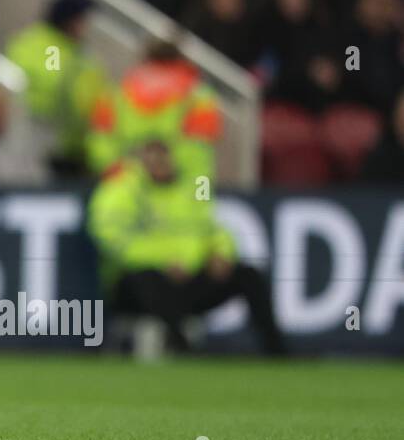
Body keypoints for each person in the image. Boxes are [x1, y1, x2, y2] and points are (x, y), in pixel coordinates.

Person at [88, 139, 287, 356]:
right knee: (146, 279)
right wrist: (164, 261)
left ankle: (276, 351)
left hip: (189, 277)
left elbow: (214, 228)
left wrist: (220, 254)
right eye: (151, 158)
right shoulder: (120, 189)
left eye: (163, 158)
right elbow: (112, 239)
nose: (158, 164)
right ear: (139, 162)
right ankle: (182, 345)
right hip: (137, 286)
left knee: (249, 276)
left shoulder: (193, 189)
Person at [87, 39, 222, 182]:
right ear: (181, 60)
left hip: (127, 180)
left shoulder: (117, 92)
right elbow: (200, 149)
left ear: (146, 59)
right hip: (179, 184)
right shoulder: (199, 95)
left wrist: (114, 168)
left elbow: (100, 139)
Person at [5, 0, 107, 177]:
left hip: (74, 141)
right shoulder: (51, 47)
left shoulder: (74, 50)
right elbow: (53, 83)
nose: (85, 27)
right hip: (48, 137)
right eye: (82, 20)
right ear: (68, 20)